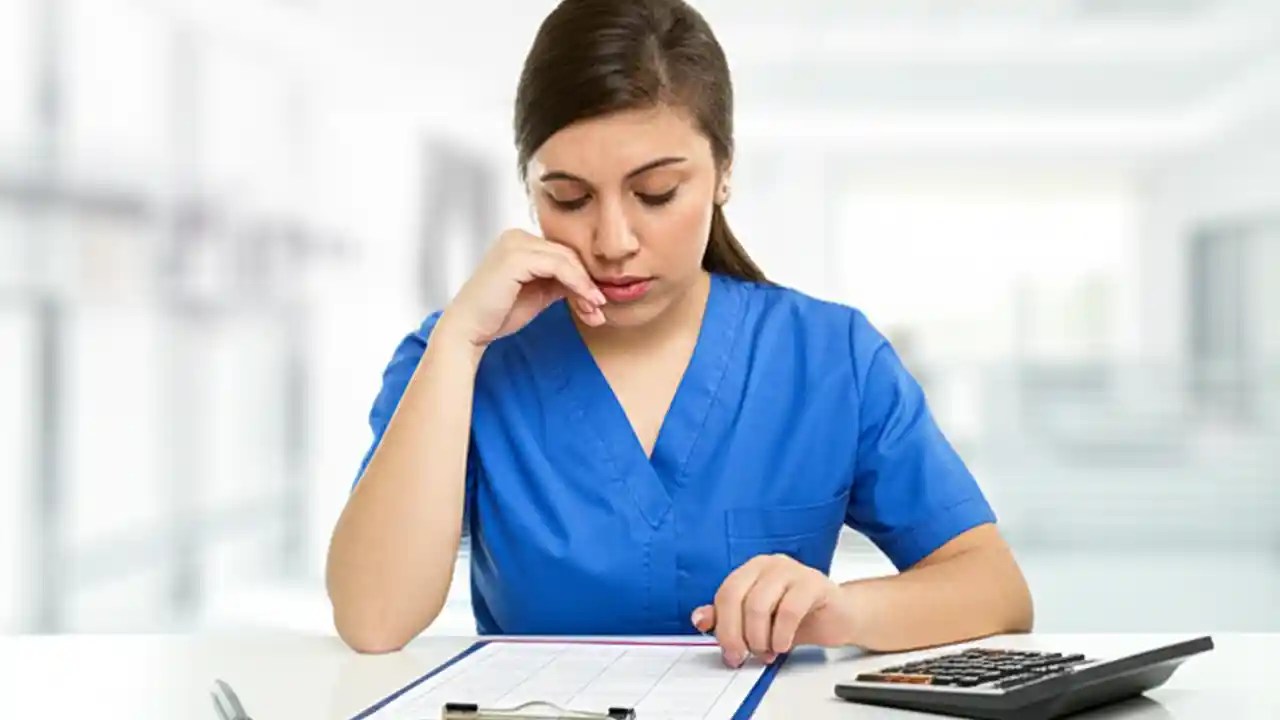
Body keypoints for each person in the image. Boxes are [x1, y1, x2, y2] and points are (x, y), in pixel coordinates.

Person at [325, 0, 1033, 666]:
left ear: (724, 172)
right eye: (567, 198)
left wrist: (842, 611)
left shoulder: (830, 358)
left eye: (657, 194)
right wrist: (458, 345)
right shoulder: (458, 359)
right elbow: (373, 620)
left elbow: (995, 590)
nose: (612, 240)